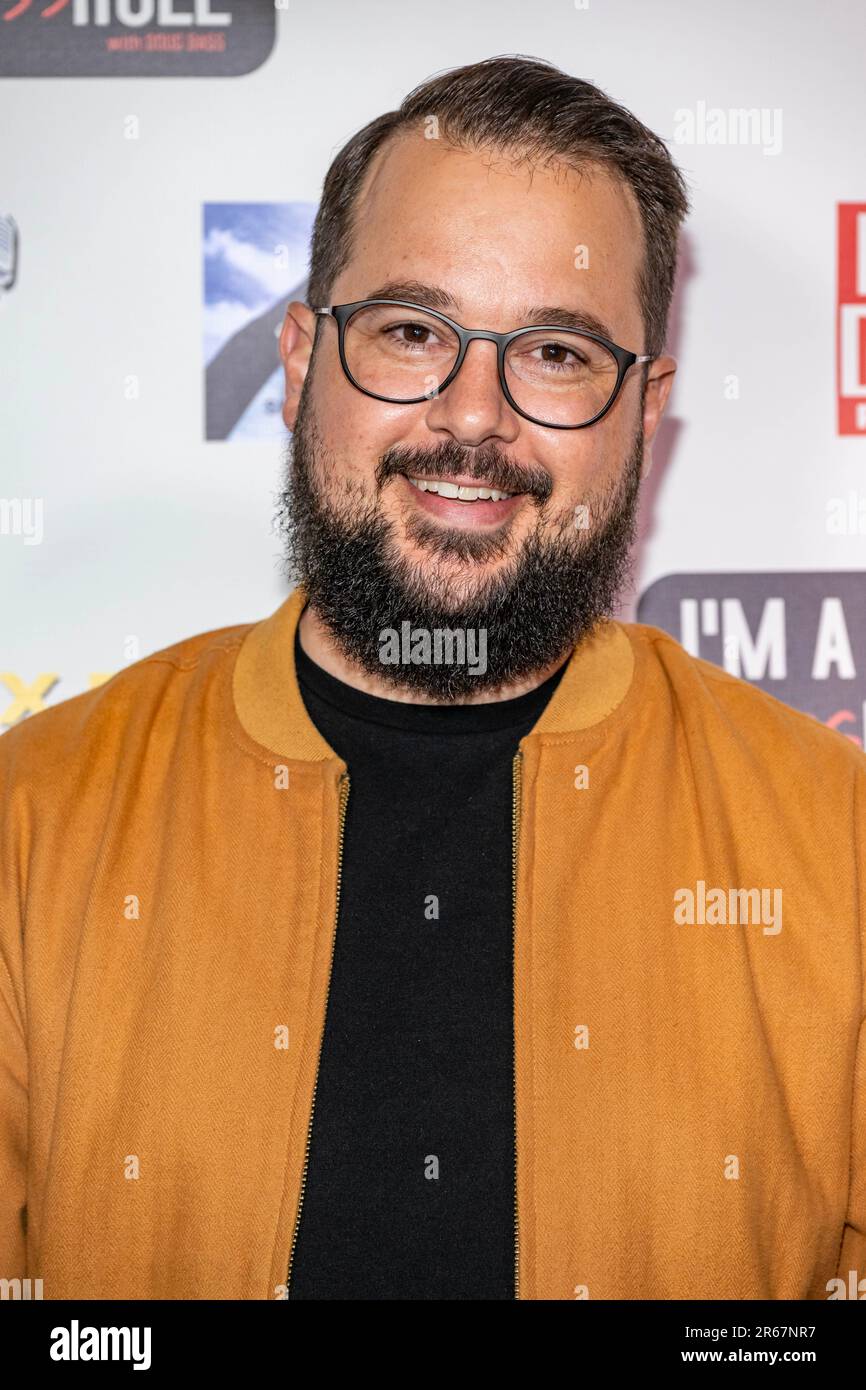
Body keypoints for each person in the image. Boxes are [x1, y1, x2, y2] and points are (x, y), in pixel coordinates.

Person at [1, 55, 863, 1303]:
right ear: (299, 359)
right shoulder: (34, 822)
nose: (472, 418)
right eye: (412, 332)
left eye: (556, 352)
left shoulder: (832, 841)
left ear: (645, 408)